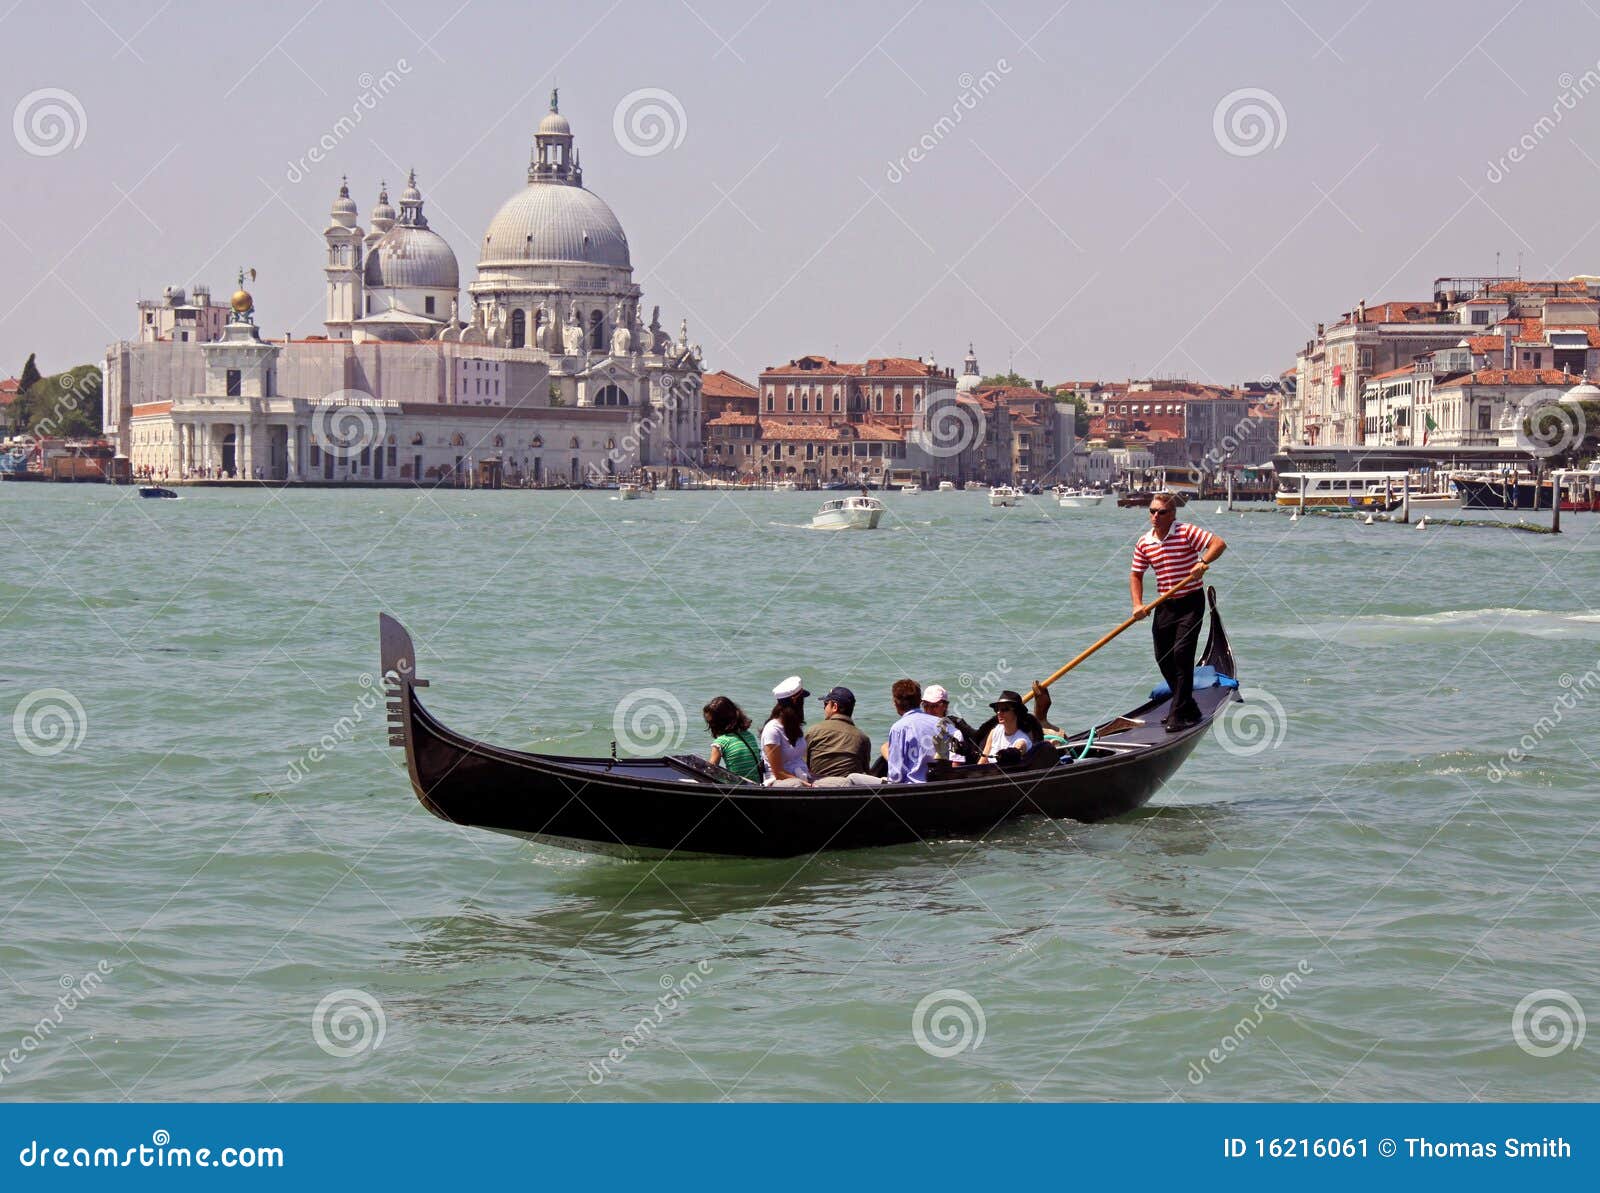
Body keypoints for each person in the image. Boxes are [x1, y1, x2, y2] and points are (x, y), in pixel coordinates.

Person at [1131, 491, 1227, 731]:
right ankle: (1188, 706)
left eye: (1161, 512)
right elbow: (1136, 574)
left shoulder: (1186, 531)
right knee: (1163, 658)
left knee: (1182, 656)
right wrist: (1137, 604)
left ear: (1172, 514)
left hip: (1191, 603)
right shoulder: (1145, 542)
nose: (1155, 516)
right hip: (1165, 604)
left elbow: (1218, 544)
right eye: (1152, 511)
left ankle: (1177, 714)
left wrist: (1202, 563)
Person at [887, 683, 965, 783]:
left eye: (935, 706)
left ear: (945, 706)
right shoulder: (948, 729)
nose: (929, 709)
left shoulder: (898, 728)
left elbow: (895, 776)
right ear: (920, 703)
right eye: (926, 705)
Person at [805, 685, 871, 780]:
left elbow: (802, 766)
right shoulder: (863, 738)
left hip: (818, 789)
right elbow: (866, 771)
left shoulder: (813, 732)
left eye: (825, 704)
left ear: (834, 707)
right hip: (848, 790)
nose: (824, 708)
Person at [760, 677, 813, 785]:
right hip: (778, 782)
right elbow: (778, 772)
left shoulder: (795, 727)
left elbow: (797, 760)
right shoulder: (772, 730)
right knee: (797, 785)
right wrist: (807, 785)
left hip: (801, 778)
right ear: (795, 701)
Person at [702, 696, 762, 783]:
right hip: (757, 783)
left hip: (737, 787)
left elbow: (710, 770)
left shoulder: (721, 742)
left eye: (710, 723)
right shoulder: (749, 735)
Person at [979, 691, 1033, 762]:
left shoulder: (1021, 740)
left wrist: (1005, 754)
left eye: (1004, 709)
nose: (999, 712)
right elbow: (982, 761)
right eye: (997, 709)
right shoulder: (994, 732)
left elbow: (1018, 750)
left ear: (1016, 712)